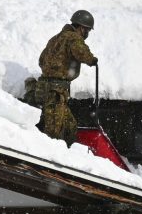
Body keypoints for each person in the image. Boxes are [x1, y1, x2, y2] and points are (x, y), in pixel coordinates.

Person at [34, 10, 98, 144]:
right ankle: (50, 158)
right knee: (54, 132)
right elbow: (82, 53)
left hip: (45, 88)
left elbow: (41, 60)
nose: (87, 34)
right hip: (55, 92)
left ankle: (69, 153)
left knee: (70, 126)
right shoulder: (73, 38)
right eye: (87, 31)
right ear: (82, 28)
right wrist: (92, 60)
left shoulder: (55, 38)